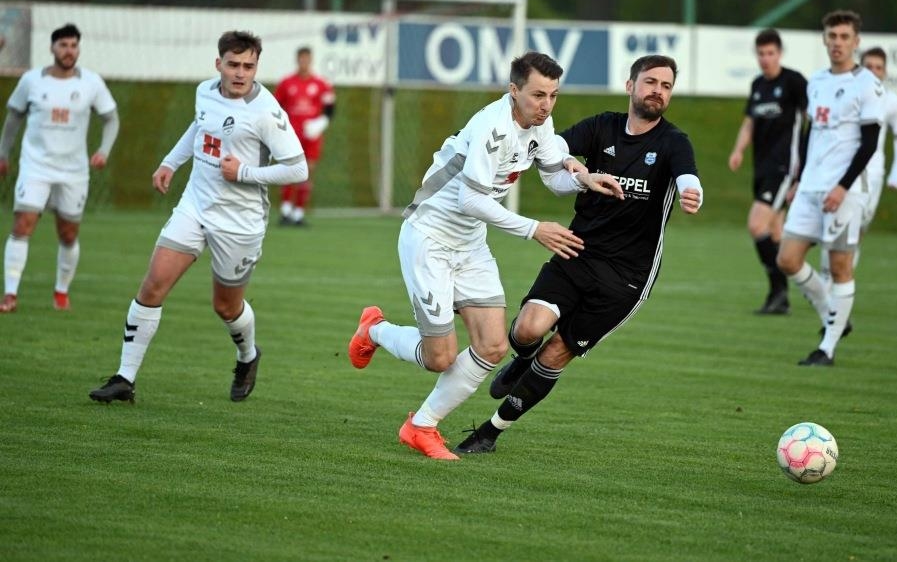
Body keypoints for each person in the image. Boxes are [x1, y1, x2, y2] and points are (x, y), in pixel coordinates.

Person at [346, 51, 624, 460]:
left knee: (493, 347)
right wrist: (534, 229)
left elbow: (552, 176)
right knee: (439, 357)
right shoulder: (492, 127)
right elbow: (471, 199)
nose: (546, 105)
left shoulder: (539, 125)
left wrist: (583, 178)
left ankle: (421, 426)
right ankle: (374, 329)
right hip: (430, 239)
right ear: (514, 92)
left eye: (553, 95)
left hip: (470, 244)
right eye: (537, 95)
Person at [454, 54, 703, 455]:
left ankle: (489, 432)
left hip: (626, 277)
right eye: (651, 82)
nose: (658, 91)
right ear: (630, 86)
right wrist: (575, 166)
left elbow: (688, 175)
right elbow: (553, 148)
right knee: (527, 331)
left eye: (666, 86)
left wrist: (694, 191)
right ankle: (520, 359)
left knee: (557, 352)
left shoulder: (673, 142)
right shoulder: (602, 125)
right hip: (577, 251)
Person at [89, 31, 308, 404]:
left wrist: (244, 173)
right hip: (194, 206)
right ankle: (124, 379)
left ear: (257, 67)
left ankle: (247, 356)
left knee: (225, 306)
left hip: (240, 221)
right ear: (218, 63)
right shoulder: (205, 91)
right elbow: (199, 126)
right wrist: (170, 162)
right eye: (234, 64)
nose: (241, 73)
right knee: (153, 285)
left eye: (249, 66)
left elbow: (298, 168)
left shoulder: (267, 112)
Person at [775, 10, 884, 367]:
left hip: (845, 191)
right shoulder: (816, 81)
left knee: (839, 267)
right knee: (787, 259)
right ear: (824, 39)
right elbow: (810, 136)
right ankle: (835, 317)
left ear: (856, 41)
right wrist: (797, 180)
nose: (837, 42)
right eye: (832, 36)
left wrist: (842, 186)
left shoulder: (867, 83)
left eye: (844, 36)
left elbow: (869, 144)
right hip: (809, 188)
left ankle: (828, 348)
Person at [0, 23, 119, 313]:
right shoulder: (32, 80)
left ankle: (61, 292)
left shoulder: (91, 83)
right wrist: (3, 152)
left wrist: (103, 150)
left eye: (73, 46)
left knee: (67, 234)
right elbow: (14, 118)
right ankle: (10, 294)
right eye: (63, 45)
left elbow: (111, 119)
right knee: (22, 225)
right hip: (35, 166)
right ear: (52, 48)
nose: (69, 51)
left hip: (73, 171)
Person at [728, 29, 807, 315]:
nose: (765, 59)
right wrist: (738, 150)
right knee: (776, 233)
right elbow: (749, 123)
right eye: (761, 53)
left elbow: (811, 120)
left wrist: (806, 165)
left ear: (780, 53)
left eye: (770, 53)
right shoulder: (758, 85)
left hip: (785, 167)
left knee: (756, 224)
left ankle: (779, 293)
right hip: (761, 167)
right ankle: (802, 290)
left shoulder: (794, 82)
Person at [819, 46, 897, 283]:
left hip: (873, 175)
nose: (873, 71)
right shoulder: (845, 94)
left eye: (878, 67)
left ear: (885, 72)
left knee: (857, 231)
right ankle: (828, 276)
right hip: (843, 172)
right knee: (834, 224)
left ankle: (841, 278)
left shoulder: (890, 101)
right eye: (869, 66)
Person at [274, 46, 335, 226]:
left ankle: (298, 212)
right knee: (288, 169)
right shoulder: (286, 83)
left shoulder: (321, 84)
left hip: (311, 136)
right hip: (291, 135)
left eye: (307, 59)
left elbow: (331, 109)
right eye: (301, 59)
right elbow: (276, 108)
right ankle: (285, 210)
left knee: (307, 172)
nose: (304, 62)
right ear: (297, 60)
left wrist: (320, 123)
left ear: (311, 60)